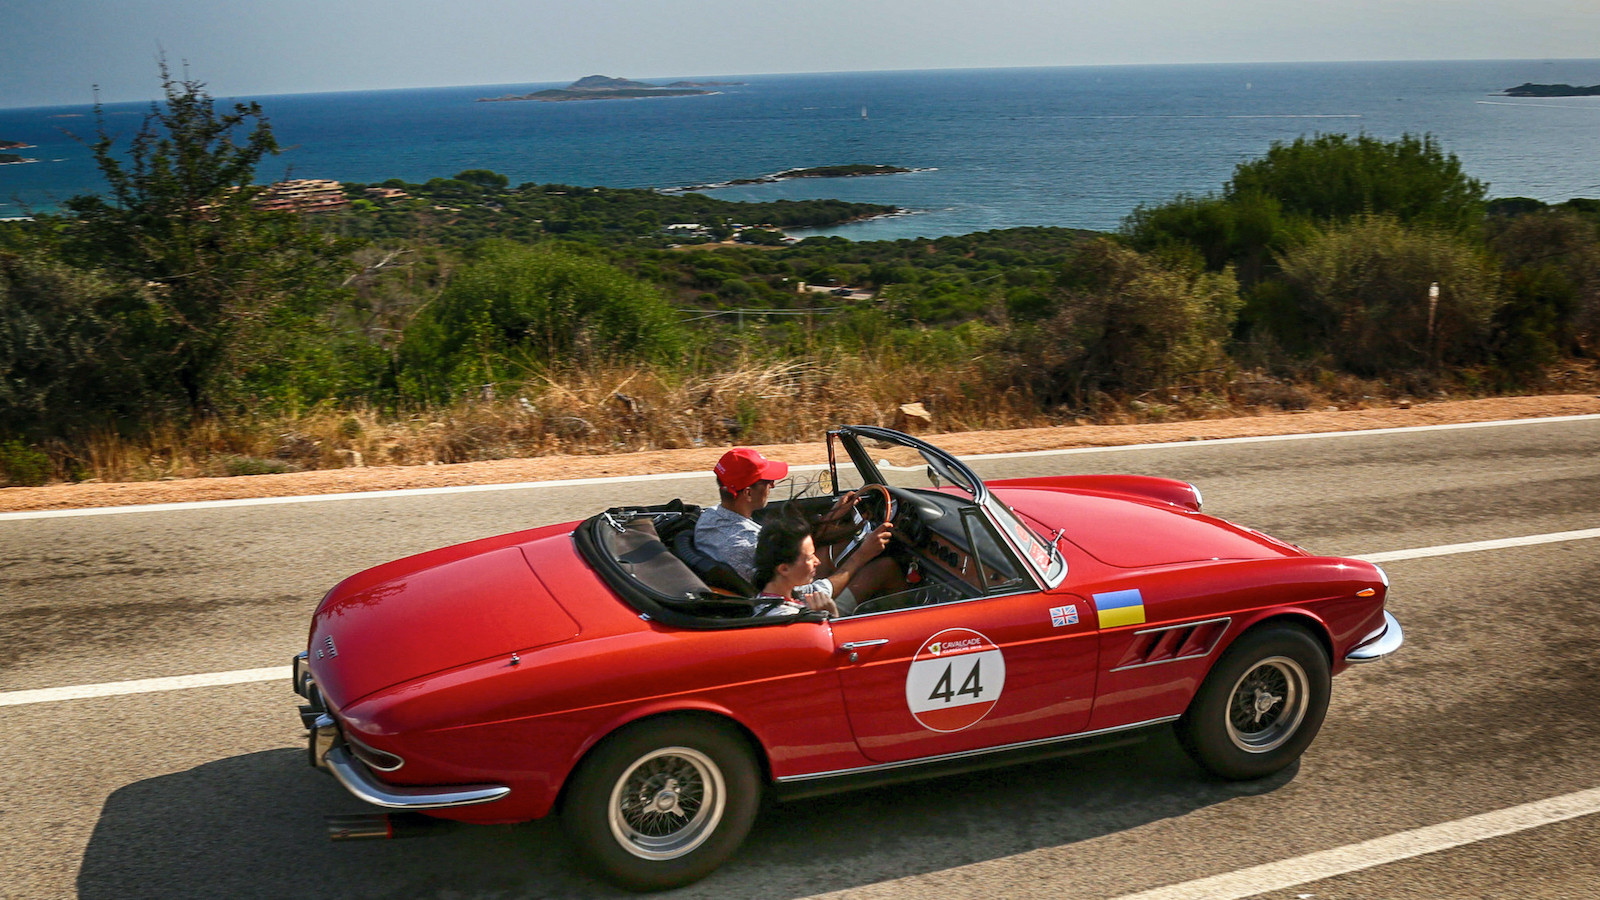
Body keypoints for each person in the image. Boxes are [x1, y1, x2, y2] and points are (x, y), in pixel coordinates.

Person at [696, 447, 903, 613]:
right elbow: (806, 594)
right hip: (802, 607)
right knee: (885, 567)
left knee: (839, 547)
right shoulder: (746, 544)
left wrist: (832, 517)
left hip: (766, 589)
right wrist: (862, 555)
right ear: (748, 493)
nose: (773, 485)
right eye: (768, 481)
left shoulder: (711, 518)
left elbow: (789, 546)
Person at [749, 518, 889, 617]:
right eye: (810, 558)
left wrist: (862, 554)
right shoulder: (787, 619)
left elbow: (821, 588)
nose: (817, 561)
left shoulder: (783, 591)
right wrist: (832, 614)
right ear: (784, 569)